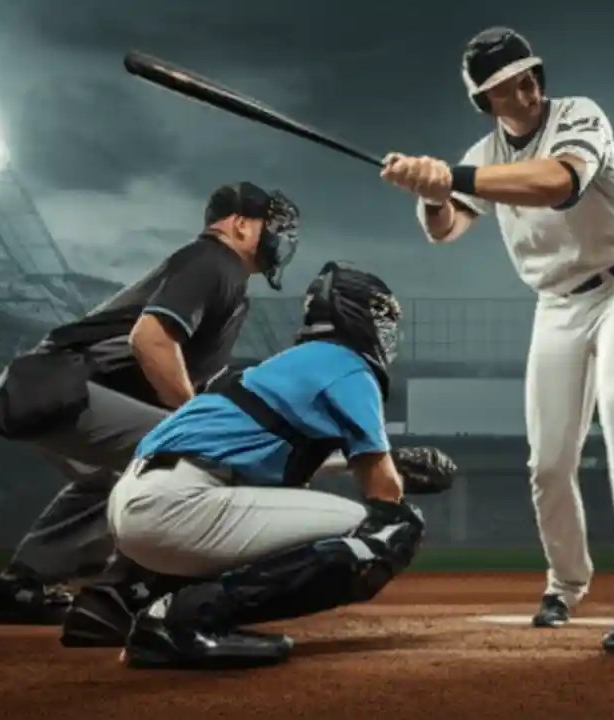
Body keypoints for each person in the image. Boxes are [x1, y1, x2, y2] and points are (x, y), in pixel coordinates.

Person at [379, 26, 614, 653]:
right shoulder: (483, 152)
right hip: (557, 306)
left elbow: (557, 183)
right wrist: (433, 195)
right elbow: (447, 227)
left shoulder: (579, 115)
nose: (527, 86)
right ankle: (564, 584)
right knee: (547, 463)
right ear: (486, 100)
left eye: (529, 73)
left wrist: (454, 174)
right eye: (507, 84)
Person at [0, 181, 301, 647]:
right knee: (199, 460)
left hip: (46, 384)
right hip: (55, 384)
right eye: (275, 225)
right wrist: (198, 425)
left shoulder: (226, 280)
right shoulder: (215, 261)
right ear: (241, 224)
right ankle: (122, 602)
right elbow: (150, 340)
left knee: (113, 480)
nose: (282, 239)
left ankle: (18, 588)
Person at [104, 262, 449, 669]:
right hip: (178, 506)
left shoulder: (292, 364)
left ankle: (140, 601)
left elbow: (261, 461)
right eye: (382, 315)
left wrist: (385, 463)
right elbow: (385, 494)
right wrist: (394, 474)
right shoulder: (350, 365)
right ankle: (189, 617)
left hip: (142, 501)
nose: (388, 329)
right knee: (392, 528)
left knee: (291, 504)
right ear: (353, 312)